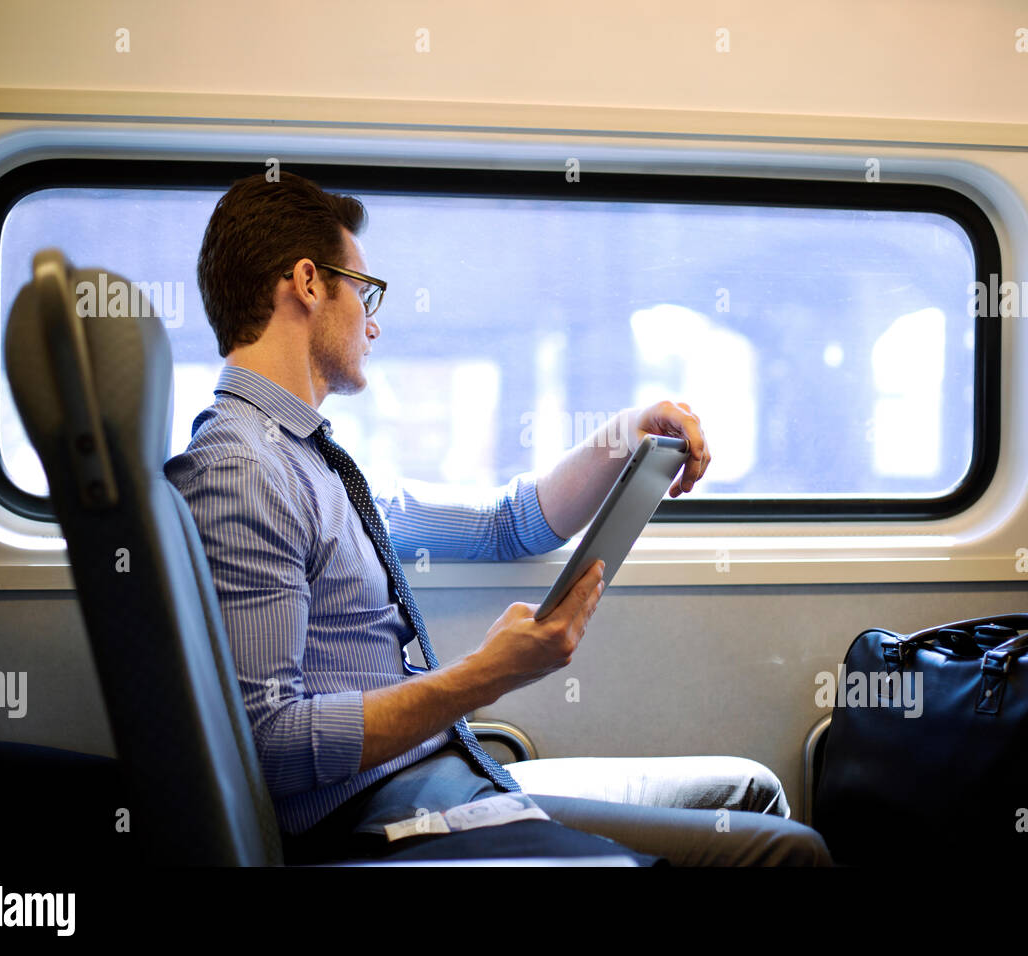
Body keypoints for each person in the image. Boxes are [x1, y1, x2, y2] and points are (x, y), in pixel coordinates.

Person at [164, 171, 831, 866]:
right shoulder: (242, 469)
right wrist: (485, 675)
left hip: (444, 771)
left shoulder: (310, 458)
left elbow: (507, 524)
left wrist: (627, 433)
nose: (374, 320)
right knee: (787, 854)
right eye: (364, 291)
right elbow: (270, 742)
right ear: (308, 283)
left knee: (748, 791)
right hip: (386, 810)